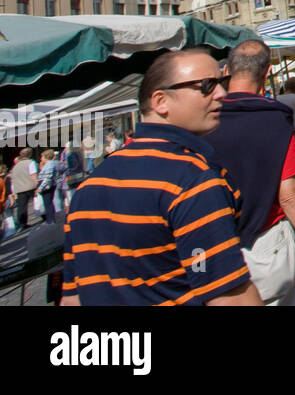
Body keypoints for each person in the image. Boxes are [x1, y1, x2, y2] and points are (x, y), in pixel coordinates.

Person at [61, 50, 262, 305]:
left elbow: (72, 298)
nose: (222, 94)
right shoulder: (192, 180)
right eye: (207, 86)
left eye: (222, 83)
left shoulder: (87, 189)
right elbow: (229, 296)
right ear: (160, 101)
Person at [203, 39, 295, 306]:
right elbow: (290, 192)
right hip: (267, 239)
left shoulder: (201, 120)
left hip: (214, 244)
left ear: (226, 72)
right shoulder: (273, 118)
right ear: (267, 74)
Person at [8, 148, 38, 232]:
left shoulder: (15, 167)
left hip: (19, 188)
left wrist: (13, 192)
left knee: (22, 207)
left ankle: (22, 224)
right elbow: (33, 175)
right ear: (30, 154)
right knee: (38, 201)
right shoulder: (31, 162)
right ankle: (44, 215)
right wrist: (37, 186)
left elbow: (12, 180)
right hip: (30, 186)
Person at [35, 149, 65, 224]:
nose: (41, 159)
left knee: (48, 204)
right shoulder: (52, 163)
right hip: (50, 185)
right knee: (49, 203)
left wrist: (40, 188)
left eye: (42, 157)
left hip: (47, 187)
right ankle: (51, 219)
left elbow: (47, 178)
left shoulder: (49, 165)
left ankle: (51, 220)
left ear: (46, 157)